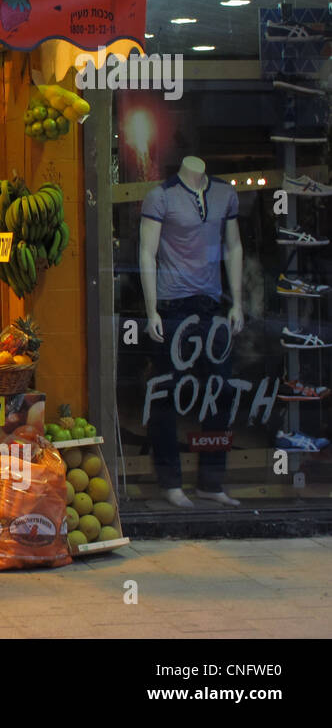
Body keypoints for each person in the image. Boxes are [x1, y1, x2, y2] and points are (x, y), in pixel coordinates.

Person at [139, 155, 243, 508]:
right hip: (172, 306)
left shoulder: (225, 195)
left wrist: (238, 302)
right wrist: (151, 308)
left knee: (220, 391)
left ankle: (211, 482)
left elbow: (234, 248)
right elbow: (146, 252)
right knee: (167, 395)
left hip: (211, 305)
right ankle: (170, 482)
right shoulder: (161, 196)